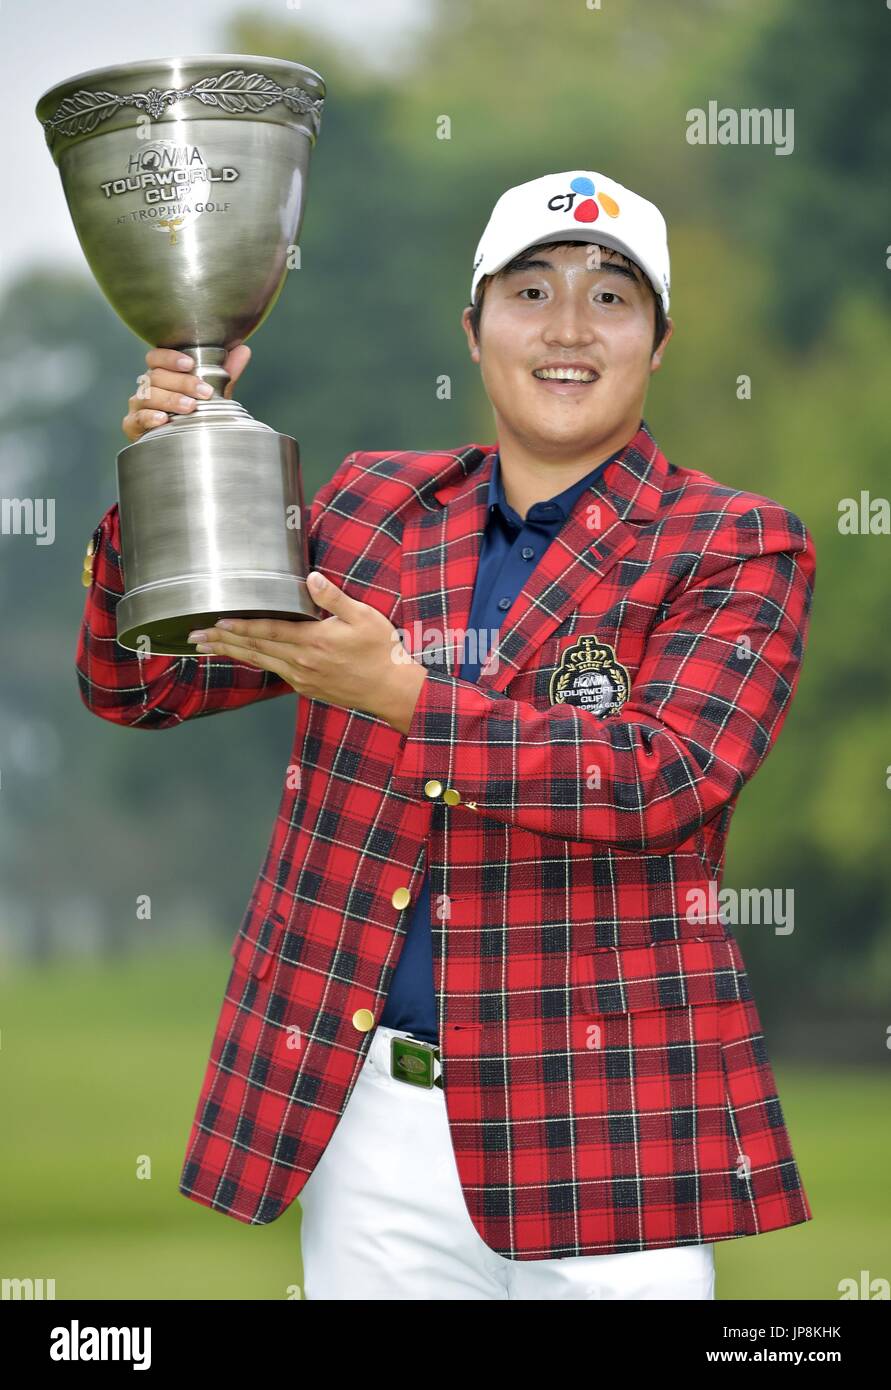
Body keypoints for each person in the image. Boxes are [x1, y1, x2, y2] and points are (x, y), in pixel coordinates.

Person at [80, 169, 815, 1300]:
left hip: (611, 1118)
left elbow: (661, 777)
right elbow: (146, 686)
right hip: (374, 1119)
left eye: (612, 298)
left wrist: (405, 697)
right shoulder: (376, 503)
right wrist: (169, 485)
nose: (569, 327)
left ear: (659, 341)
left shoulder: (736, 542)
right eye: (531, 291)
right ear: (472, 330)